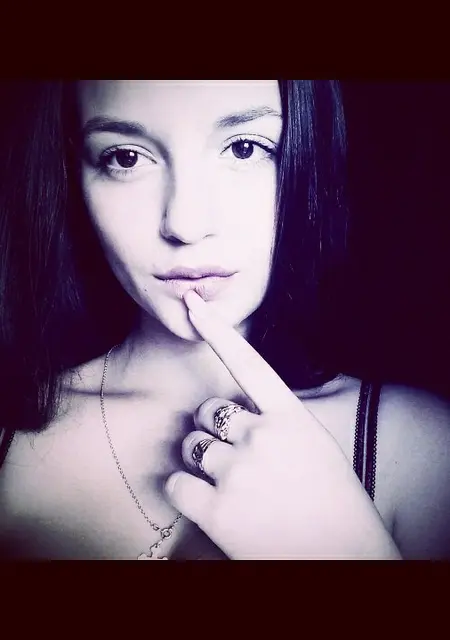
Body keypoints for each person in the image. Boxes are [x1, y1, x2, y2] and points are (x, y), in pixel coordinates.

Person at [0, 80, 449, 560]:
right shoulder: (11, 437)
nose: (185, 225)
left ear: (306, 157)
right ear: (73, 175)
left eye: (243, 148)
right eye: (126, 158)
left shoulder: (423, 452)